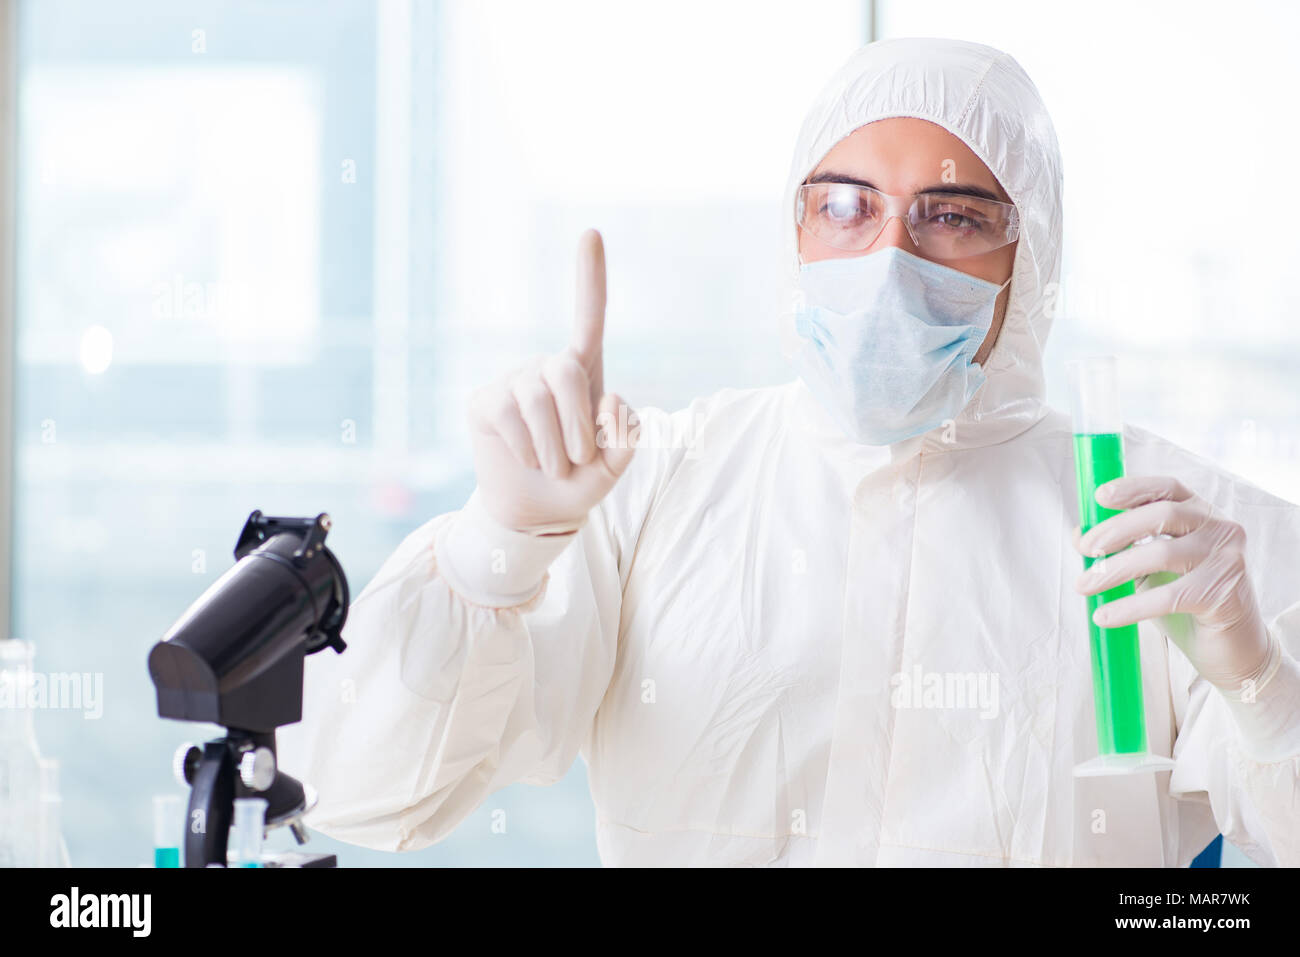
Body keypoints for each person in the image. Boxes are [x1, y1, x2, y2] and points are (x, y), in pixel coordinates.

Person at [277, 37, 1300, 866]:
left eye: (949, 216)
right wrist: (496, 548)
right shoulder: (653, 484)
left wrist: (1259, 680)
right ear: (796, 230)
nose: (888, 258)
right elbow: (358, 795)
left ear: (1029, 255)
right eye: (844, 204)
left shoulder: (1171, 533)